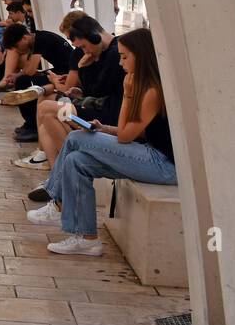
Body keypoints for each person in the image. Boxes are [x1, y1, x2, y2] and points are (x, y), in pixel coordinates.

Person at [26, 28, 177, 256]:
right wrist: (105, 129)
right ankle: (87, 238)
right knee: (77, 161)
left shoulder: (151, 91)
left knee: (76, 137)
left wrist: (127, 94)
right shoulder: (146, 85)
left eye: (125, 56)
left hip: (163, 165)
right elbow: (138, 133)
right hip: (148, 153)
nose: (120, 62)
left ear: (142, 56)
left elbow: (127, 137)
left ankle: (56, 199)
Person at [20, 14, 127, 177]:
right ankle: (59, 176)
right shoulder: (106, 51)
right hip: (99, 107)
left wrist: (84, 66)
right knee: (46, 120)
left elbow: (97, 90)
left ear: (94, 36)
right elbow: (95, 89)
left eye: (84, 46)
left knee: (47, 108)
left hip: (108, 114)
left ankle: (66, 172)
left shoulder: (113, 54)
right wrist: (81, 90)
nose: (85, 51)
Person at [0, 22, 77, 143]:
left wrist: (18, 76)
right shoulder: (39, 37)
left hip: (65, 74)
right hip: (60, 70)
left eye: (17, 46)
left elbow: (31, 70)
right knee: (23, 79)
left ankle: (32, 125)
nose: (18, 50)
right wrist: (17, 74)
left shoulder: (40, 40)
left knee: (23, 82)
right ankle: (30, 124)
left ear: (25, 37)